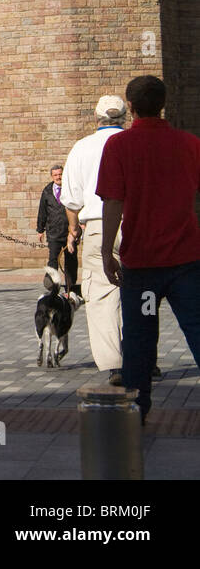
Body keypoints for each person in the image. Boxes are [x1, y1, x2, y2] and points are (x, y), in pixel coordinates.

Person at [97, 76, 200, 423]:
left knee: (140, 338)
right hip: (186, 258)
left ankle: (137, 408)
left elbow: (112, 202)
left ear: (130, 106)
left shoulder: (119, 146)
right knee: (198, 328)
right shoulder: (189, 144)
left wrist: (106, 251)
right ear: (163, 103)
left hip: (142, 264)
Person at [61, 94, 127, 382]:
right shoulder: (134, 143)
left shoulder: (82, 147)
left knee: (101, 294)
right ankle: (145, 356)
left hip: (99, 224)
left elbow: (71, 198)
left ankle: (115, 364)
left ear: (96, 118)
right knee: (142, 292)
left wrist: (73, 229)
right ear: (125, 117)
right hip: (137, 223)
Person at [36, 164, 74, 289]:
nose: (58, 177)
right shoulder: (47, 191)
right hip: (54, 232)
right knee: (53, 259)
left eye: (60, 174)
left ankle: (70, 286)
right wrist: (40, 230)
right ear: (52, 177)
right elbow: (42, 211)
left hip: (69, 232)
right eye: (55, 175)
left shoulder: (71, 188)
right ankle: (52, 285)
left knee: (71, 260)